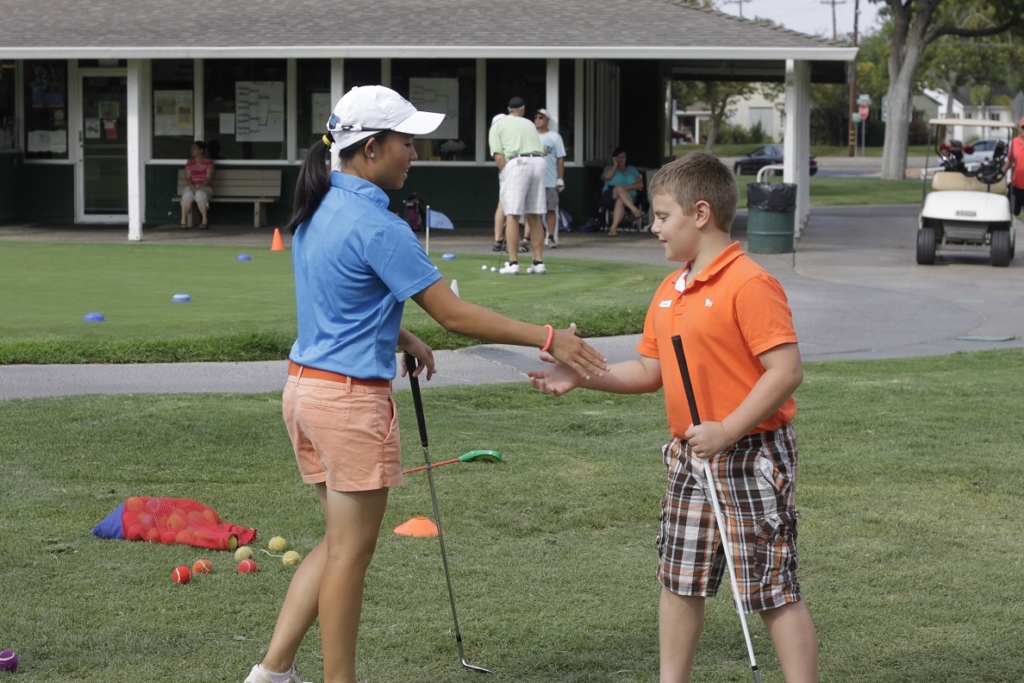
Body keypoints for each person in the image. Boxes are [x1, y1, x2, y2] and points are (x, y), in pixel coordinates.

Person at [244, 85, 608, 683]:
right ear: (369, 148)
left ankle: (272, 673)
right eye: (406, 142)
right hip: (348, 402)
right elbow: (456, 315)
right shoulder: (380, 224)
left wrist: (399, 336)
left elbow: (342, 302)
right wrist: (549, 338)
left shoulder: (318, 204)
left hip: (304, 392)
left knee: (337, 544)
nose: (414, 153)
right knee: (349, 556)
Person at [529, 152, 819, 682]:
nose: (654, 227)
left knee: (770, 589)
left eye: (663, 217)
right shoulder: (670, 291)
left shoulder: (749, 283)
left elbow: (785, 372)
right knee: (679, 578)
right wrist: (582, 375)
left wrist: (729, 429)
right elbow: (647, 370)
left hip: (750, 455)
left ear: (701, 214)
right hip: (691, 457)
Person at [488, 96, 547, 274]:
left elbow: (499, 156)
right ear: (522, 109)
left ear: (508, 109)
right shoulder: (529, 123)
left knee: (512, 214)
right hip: (539, 163)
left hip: (517, 163)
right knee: (534, 215)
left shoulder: (497, 126)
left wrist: (506, 174)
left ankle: (513, 263)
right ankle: (538, 262)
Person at [534, 108, 566, 248]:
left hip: (550, 180)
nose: (538, 119)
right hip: (534, 179)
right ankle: (528, 238)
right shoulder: (531, 136)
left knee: (551, 209)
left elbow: (560, 159)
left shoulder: (555, 137)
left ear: (547, 120)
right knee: (532, 211)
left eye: (541, 117)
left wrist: (560, 178)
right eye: (536, 117)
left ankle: (551, 237)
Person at [600, 147, 645, 236]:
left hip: (628, 197)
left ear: (626, 158)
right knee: (619, 188)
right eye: (618, 157)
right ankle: (635, 210)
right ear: (614, 158)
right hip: (610, 195)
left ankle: (613, 228)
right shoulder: (609, 168)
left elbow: (640, 185)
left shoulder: (632, 170)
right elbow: (607, 177)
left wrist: (628, 187)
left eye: (623, 157)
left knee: (620, 200)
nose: (621, 159)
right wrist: (615, 165)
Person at [181, 140, 214, 229]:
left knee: (200, 194)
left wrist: (199, 188)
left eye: (195, 148)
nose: (192, 150)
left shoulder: (208, 162)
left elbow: (208, 178)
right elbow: (188, 178)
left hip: (205, 187)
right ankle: (183, 220)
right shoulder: (190, 162)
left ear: (201, 150)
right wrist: (193, 188)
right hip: (191, 187)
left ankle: (204, 220)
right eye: (191, 148)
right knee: (187, 194)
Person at [1002, 116, 1024, 218]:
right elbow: (1010, 161)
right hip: (1016, 186)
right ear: (1020, 128)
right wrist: (1001, 174)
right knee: (1010, 213)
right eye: (1023, 127)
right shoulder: (1015, 142)